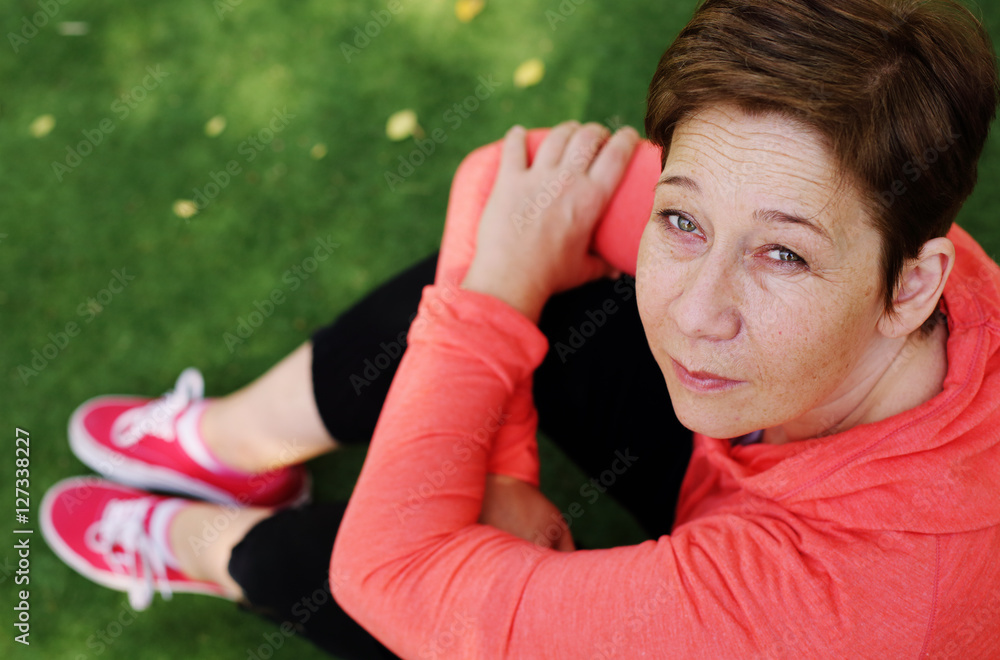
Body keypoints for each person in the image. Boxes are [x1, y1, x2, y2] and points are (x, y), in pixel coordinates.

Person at [43, 0, 1000, 657]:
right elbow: (524, 177)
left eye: (782, 256)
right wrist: (506, 470)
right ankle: (239, 442)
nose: (695, 313)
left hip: (777, 606)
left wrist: (499, 305)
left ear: (914, 288)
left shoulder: (817, 613)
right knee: (531, 251)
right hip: (765, 459)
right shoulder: (876, 222)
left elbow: (387, 576)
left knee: (407, 604)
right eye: (682, 218)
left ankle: (216, 547)